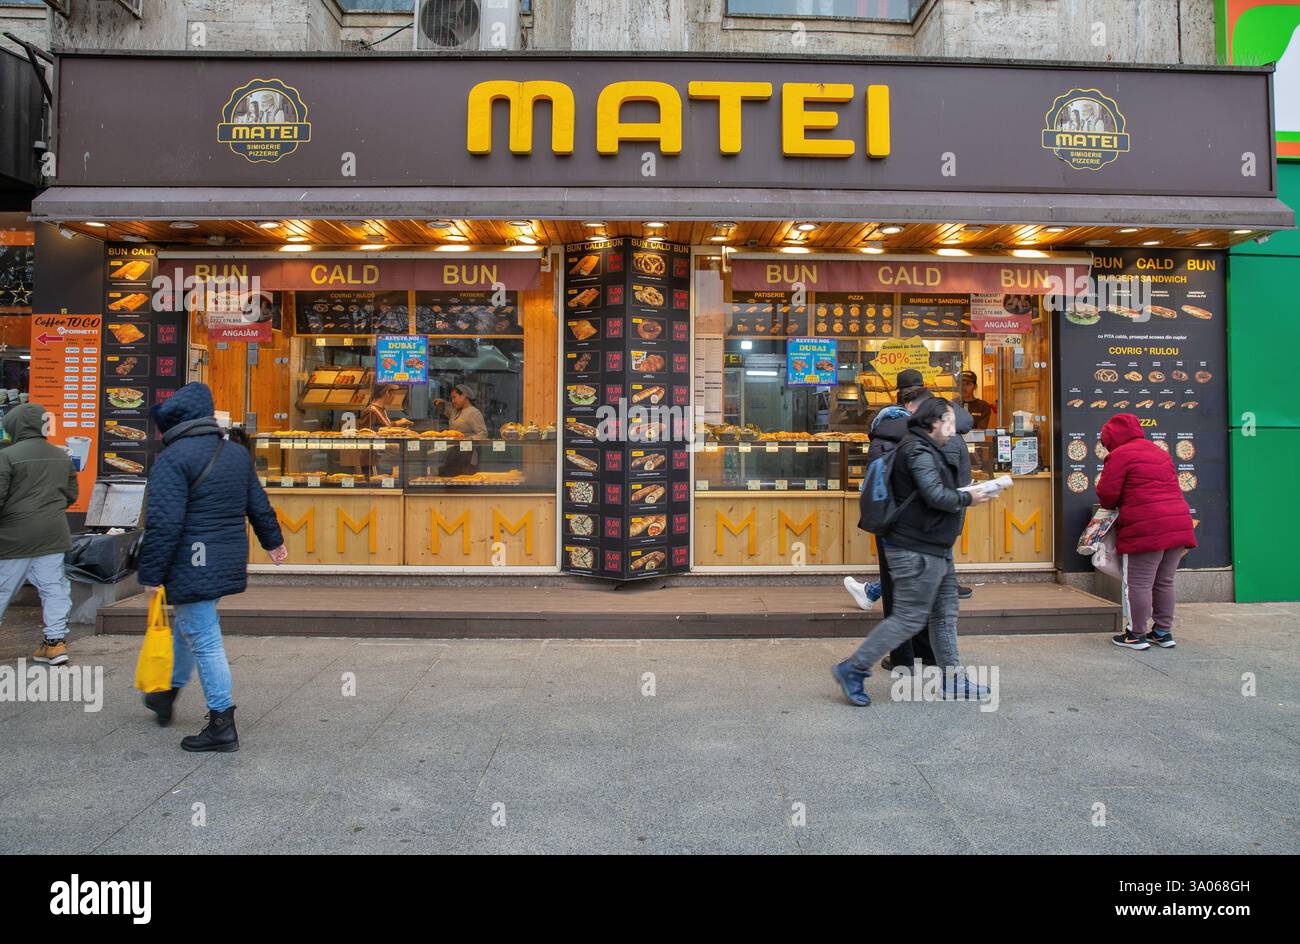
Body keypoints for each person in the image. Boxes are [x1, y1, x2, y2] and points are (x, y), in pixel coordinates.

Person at [136, 383, 287, 752]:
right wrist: (273, 542)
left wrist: (151, 574)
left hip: (192, 558)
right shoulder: (235, 453)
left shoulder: (172, 459)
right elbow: (258, 503)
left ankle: (221, 722)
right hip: (224, 555)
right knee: (191, 625)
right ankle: (167, 691)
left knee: (203, 634)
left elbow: (164, 523)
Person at [831, 397, 994, 706]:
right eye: (948, 420)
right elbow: (934, 495)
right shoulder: (916, 449)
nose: (953, 426)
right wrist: (970, 497)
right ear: (933, 422)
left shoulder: (927, 447)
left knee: (945, 613)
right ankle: (852, 668)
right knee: (909, 618)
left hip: (934, 544)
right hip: (915, 547)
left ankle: (953, 679)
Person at [1094, 413, 1196, 650]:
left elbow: (1108, 495)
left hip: (1146, 526)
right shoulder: (1159, 452)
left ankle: (1136, 634)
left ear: (1112, 438)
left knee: (1138, 582)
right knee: (1164, 581)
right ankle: (1162, 632)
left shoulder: (1119, 455)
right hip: (1178, 524)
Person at [0, 403, 79, 666]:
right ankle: (55, 644)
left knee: (3, 588)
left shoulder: (7, 456)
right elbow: (71, 494)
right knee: (54, 588)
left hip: (14, 536)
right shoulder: (62, 456)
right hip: (53, 534)